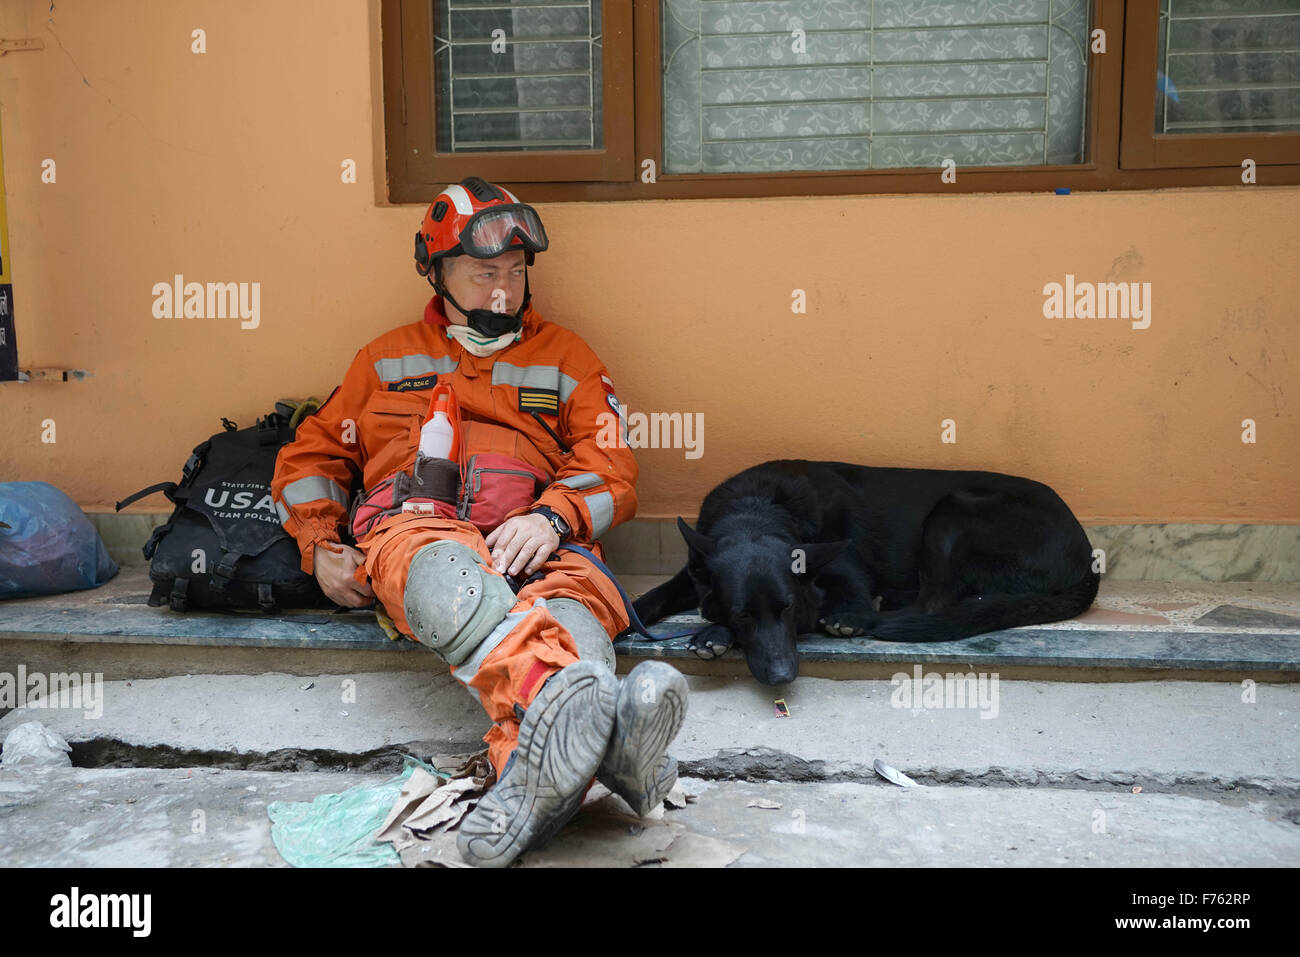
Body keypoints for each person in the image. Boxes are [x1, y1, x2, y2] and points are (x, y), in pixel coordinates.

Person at [271, 177, 688, 867]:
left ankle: (540, 766)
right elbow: (310, 455)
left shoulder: (568, 357)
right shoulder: (384, 359)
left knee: (575, 619)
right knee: (445, 574)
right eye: (484, 271)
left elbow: (612, 466)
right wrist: (318, 545)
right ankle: (611, 743)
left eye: (516, 272)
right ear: (437, 273)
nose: (504, 288)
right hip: (422, 533)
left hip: (543, 546)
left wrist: (556, 517)